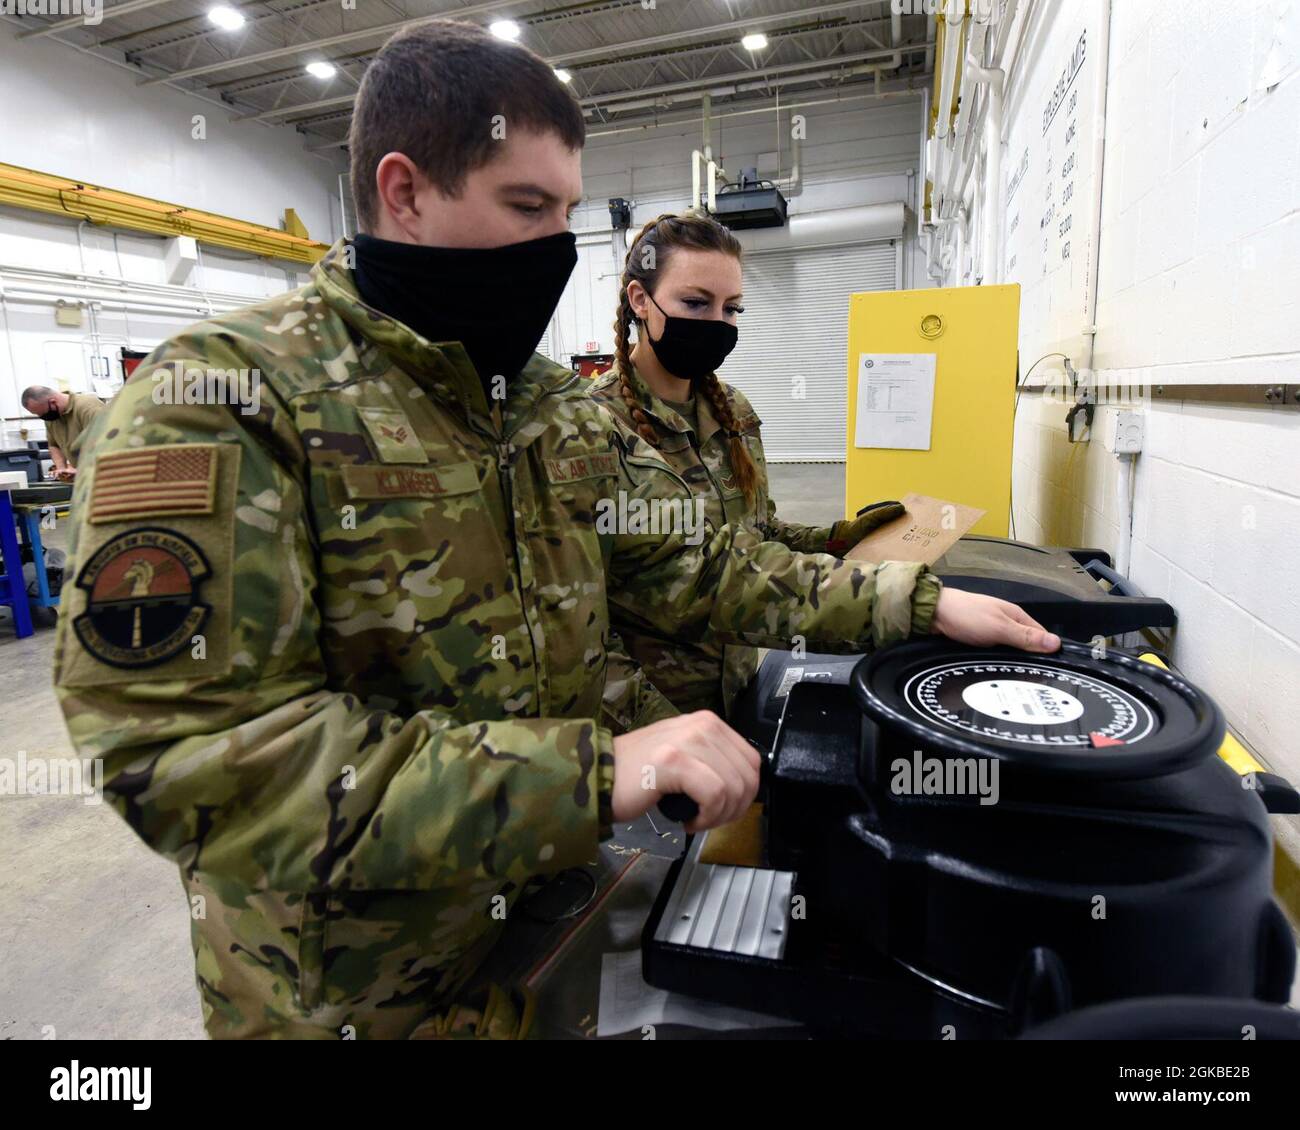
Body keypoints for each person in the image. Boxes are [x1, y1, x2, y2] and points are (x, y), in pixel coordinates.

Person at [52, 19, 1059, 1040]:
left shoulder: (547, 407)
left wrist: (918, 602)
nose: (553, 247)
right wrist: (588, 774)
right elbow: (190, 758)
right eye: (525, 206)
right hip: (355, 993)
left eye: (566, 212)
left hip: (545, 926)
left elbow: (703, 568)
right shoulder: (226, 400)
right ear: (403, 191)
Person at [592, 211, 904, 729]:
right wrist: (660, 729)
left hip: (738, 688)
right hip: (649, 728)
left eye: (732, 308)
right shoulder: (590, 427)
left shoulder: (731, 410)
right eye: (695, 302)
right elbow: (579, 621)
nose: (717, 322)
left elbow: (757, 535)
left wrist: (835, 539)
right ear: (640, 301)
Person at [21, 385, 107, 480]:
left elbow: (106, 443)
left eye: (43, 413)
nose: (43, 417)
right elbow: (54, 445)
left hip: (107, 474)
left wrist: (82, 470)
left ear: (53, 402)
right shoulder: (52, 416)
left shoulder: (89, 408)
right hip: (85, 478)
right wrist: (61, 469)